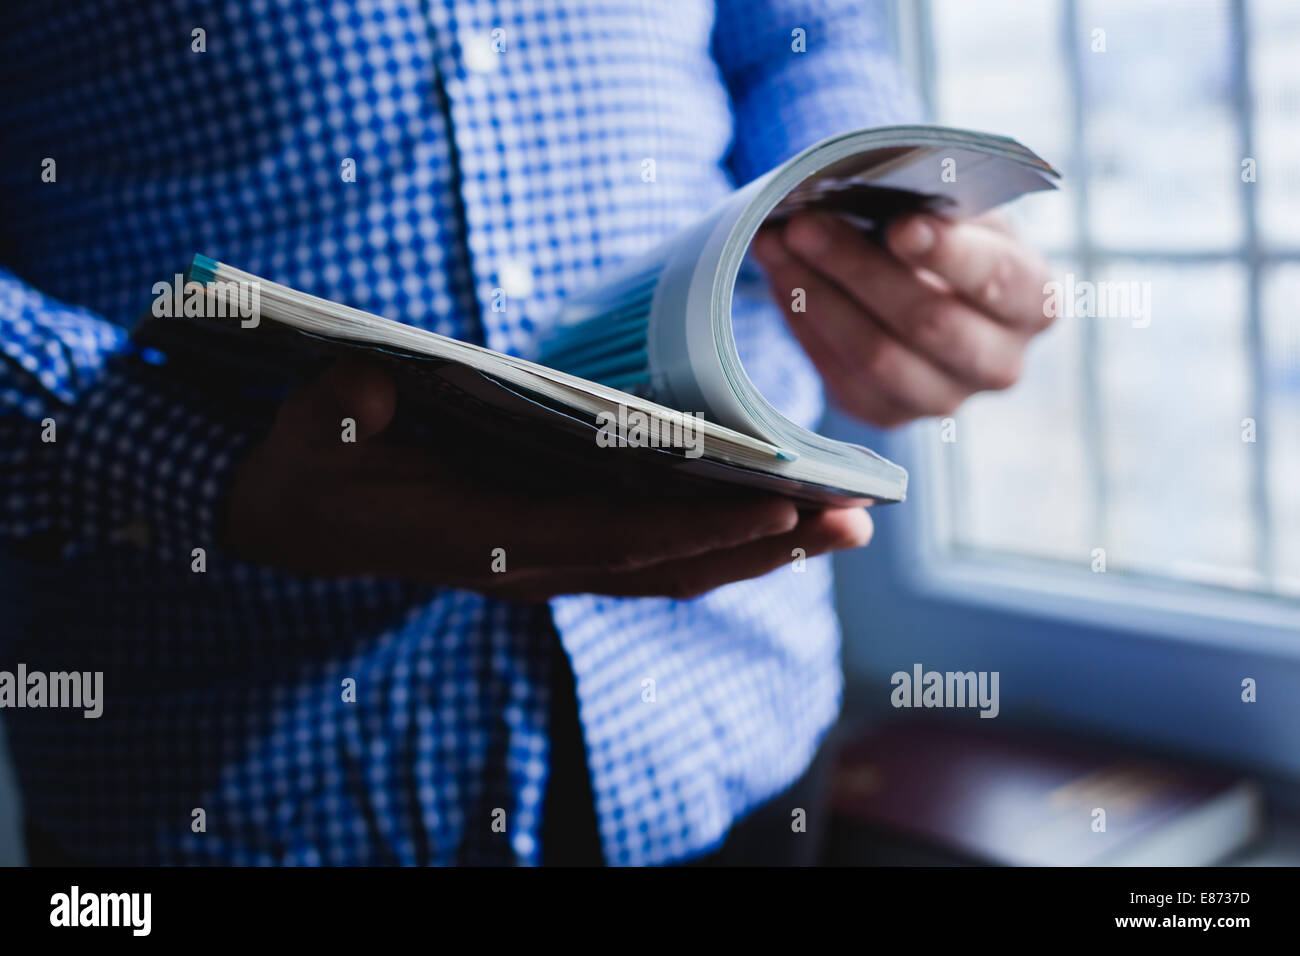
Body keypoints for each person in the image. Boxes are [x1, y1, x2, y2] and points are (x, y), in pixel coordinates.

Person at [0, 0, 1051, 866]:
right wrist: (170, 462)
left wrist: (873, 237)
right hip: (224, 779)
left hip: (732, 718)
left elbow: (800, 30)